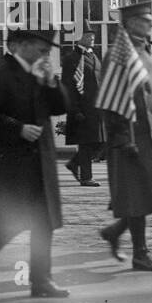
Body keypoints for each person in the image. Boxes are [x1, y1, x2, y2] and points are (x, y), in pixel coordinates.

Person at [0, 26, 72, 297]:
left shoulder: (40, 73)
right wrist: (17, 128)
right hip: (11, 162)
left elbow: (61, 107)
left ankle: (41, 281)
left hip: (41, 161)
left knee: (43, 221)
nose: (46, 55)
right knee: (13, 221)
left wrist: (51, 83)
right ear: (21, 46)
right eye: (42, 49)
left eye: (48, 51)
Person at [97, 2, 152, 270]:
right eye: (146, 20)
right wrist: (121, 137)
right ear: (130, 24)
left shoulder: (149, 53)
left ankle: (115, 232)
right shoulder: (119, 54)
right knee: (136, 195)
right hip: (130, 137)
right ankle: (140, 254)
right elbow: (112, 100)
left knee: (150, 193)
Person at [60, 29, 103, 186]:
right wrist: (75, 110)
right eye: (88, 36)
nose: (92, 39)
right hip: (81, 109)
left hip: (96, 108)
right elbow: (68, 86)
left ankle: (74, 163)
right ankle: (86, 177)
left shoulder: (94, 56)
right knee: (86, 143)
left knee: (100, 142)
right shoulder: (71, 58)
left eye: (93, 36)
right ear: (79, 38)